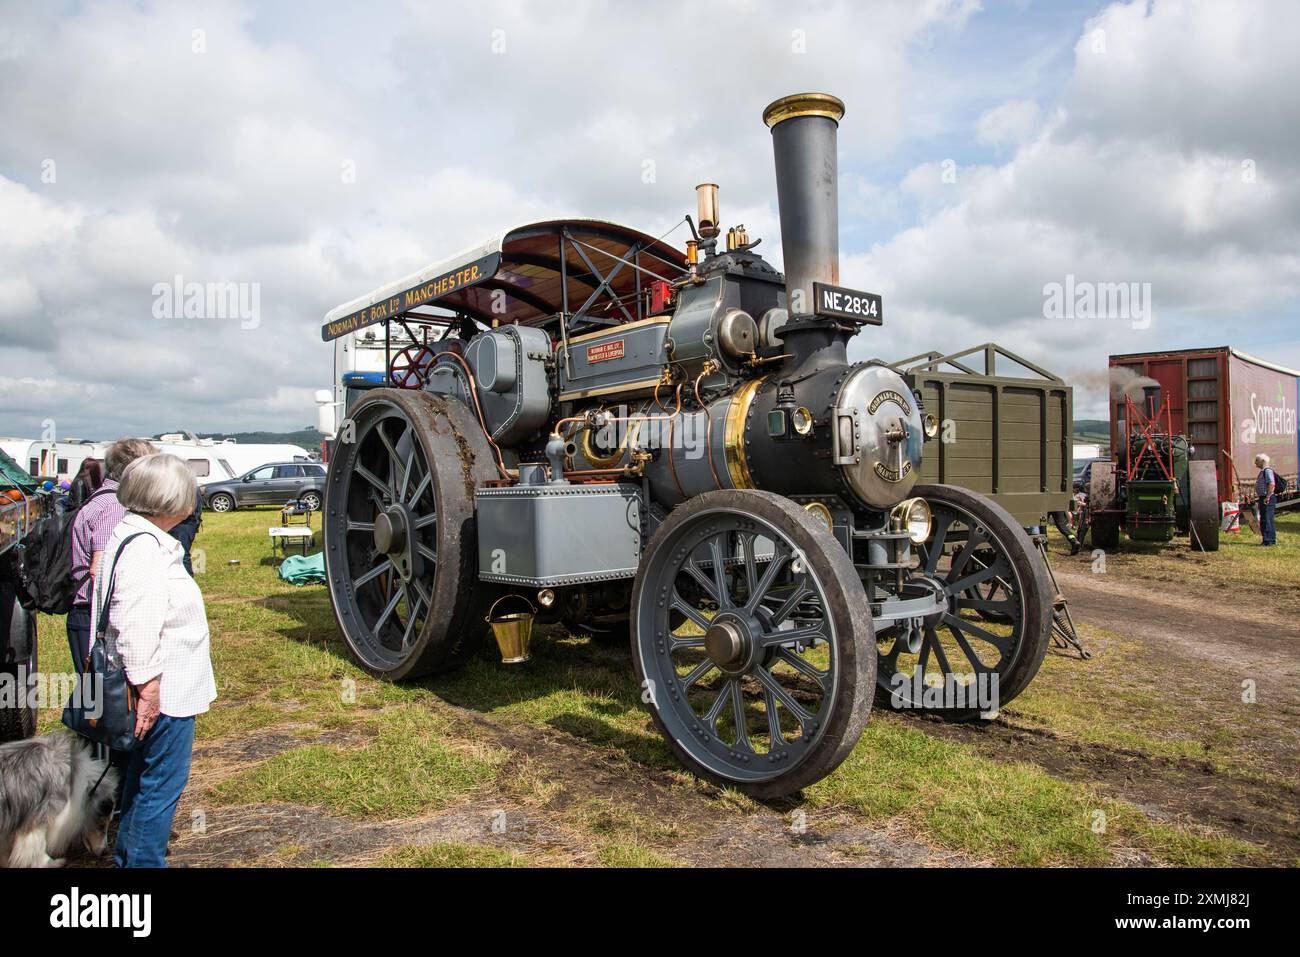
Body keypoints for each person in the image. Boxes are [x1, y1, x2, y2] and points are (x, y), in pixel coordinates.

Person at [98, 453, 217, 867]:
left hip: (160, 686)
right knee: (160, 785)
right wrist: (148, 689)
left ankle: (127, 858)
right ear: (169, 500)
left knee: (140, 780)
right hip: (165, 691)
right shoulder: (147, 550)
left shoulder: (131, 537)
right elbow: (136, 624)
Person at [67, 438, 157, 676]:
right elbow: (101, 570)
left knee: (95, 696)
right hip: (97, 617)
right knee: (107, 700)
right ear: (134, 471)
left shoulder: (104, 497)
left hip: (91, 614)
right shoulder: (114, 506)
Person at [1255, 453, 1277, 546]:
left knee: (1267, 519)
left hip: (1267, 498)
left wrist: (1267, 497)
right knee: (1264, 519)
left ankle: (1269, 541)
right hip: (1264, 497)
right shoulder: (1263, 471)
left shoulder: (1267, 471)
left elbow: (1271, 484)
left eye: (1257, 460)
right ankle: (1266, 540)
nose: (1255, 463)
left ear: (1263, 461)